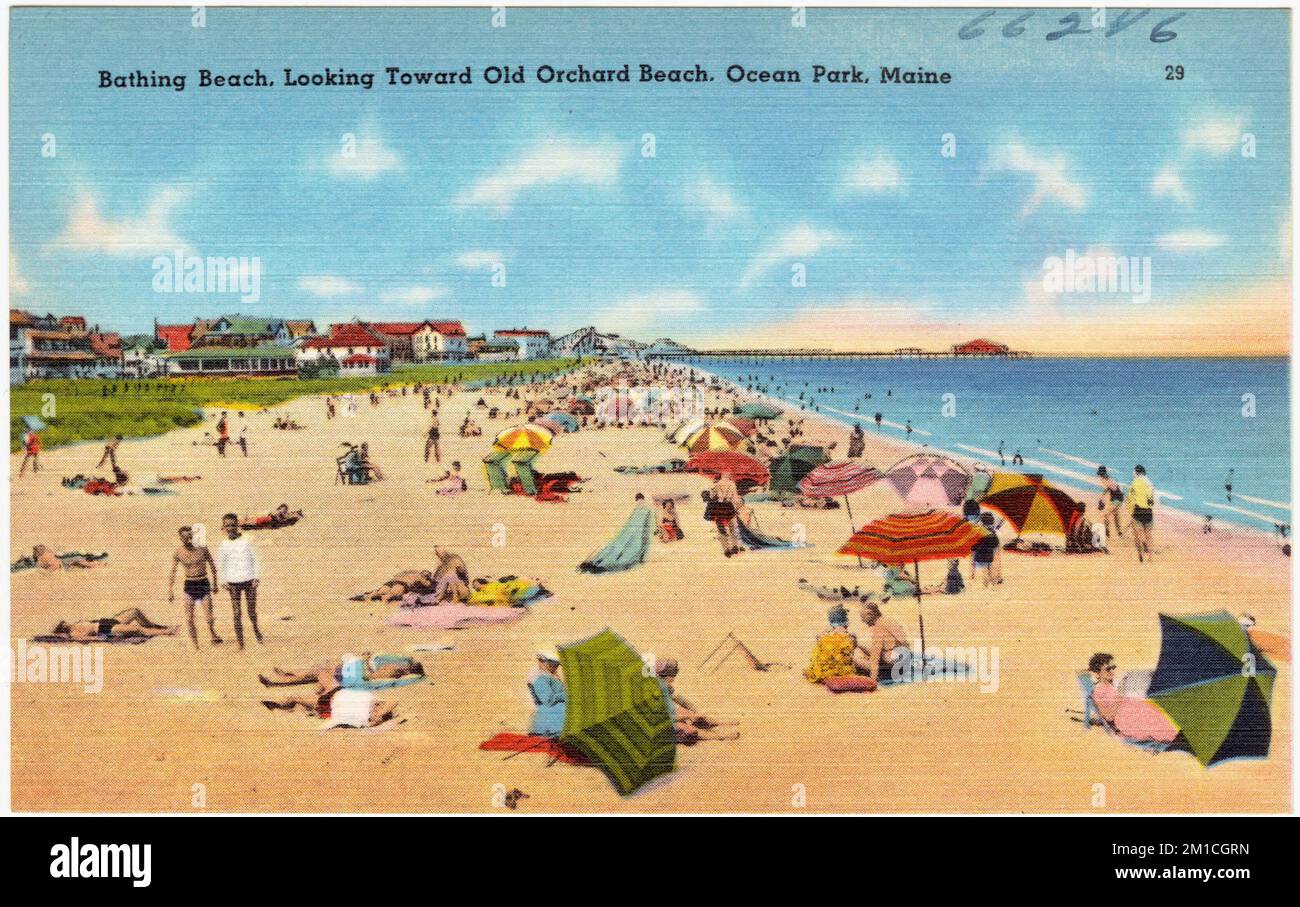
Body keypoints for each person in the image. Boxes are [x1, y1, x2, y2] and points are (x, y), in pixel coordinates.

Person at [1086, 653, 1178, 744]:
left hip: (1129, 708)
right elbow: (1108, 717)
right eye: (1108, 669)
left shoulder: (1109, 686)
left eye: (1113, 668)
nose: (1111, 671)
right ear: (1098, 673)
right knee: (1149, 716)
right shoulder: (1098, 691)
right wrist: (1120, 696)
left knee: (1151, 709)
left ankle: (1172, 734)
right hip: (1124, 717)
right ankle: (1170, 736)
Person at [655, 659, 738, 743]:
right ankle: (720, 736)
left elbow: (681, 700)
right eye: (672, 674)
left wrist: (695, 712)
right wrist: (686, 717)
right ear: (666, 676)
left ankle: (720, 723)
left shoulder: (665, 685)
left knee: (692, 715)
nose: (674, 677)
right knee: (689, 730)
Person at [168, 525, 222, 648]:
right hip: (190, 585)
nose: (188, 540)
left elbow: (213, 567)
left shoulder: (202, 548)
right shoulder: (178, 552)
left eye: (190, 537)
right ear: (180, 538)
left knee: (209, 617)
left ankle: (212, 633)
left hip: (203, 583)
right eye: (185, 538)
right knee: (189, 618)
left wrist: (215, 584)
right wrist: (170, 590)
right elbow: (173, 571)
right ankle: (196, 645)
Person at [217, 512, 263, 650]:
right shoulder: (223, 545)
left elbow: (255, 559)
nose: (230, 528)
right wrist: (223, 580)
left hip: (249, 581)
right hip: (233, 583)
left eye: (232, 525)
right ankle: (240, 643)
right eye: (227, 526)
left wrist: (257, 577)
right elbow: (221, 564)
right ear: (223, 527)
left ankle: (256, 629)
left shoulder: (247, 540)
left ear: (237, 525)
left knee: (251, 611)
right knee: (236, 613)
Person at [804, 605, 863, 683]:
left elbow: (819, 650)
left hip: (822, 673)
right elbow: (852, 651)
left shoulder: (821, 635)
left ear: (831, 623)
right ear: (847, 622)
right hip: (843, 672)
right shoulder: (852, 636)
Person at [48, 608, 175, 642]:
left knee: (135, 611)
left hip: (108, 621)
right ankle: (167, 632)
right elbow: (85, 638)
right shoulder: (73, 634)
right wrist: (100, 638)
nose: (65, 622)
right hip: (106, 628)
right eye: (63, 624)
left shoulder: (76, 624)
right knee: (137, 628)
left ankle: (153, 626)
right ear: (62, 628)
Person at [860, 603, 912, 683]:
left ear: (870, 614)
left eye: (863, 618)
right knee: (864, 648)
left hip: (896, 659)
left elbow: (875, 655)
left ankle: (877, 674)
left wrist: (872, 679)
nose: (863, 621)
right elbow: (903, 641)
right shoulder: (887, 620)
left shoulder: (879, 627)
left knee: (860, 653)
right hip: (905, 654)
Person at [529, 651, 567, 737]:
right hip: (550, 715)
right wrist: (566, 695)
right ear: (542, 663)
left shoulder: (551, 676)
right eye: (552, 664)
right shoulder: (540, 678)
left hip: (557, 712)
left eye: (556, 665)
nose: (555, 667)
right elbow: (547, 700)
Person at [1128, 465, 1155, 562]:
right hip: (1148, 512)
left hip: (1137, 511)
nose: (1133, 473)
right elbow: (1152, 501)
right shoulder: (1150, 483)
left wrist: (1131, 513)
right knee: (1149, 536)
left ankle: (1140, 555)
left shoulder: (1134, 483)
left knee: (1137, 535)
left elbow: (1130, 500)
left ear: (1137, 473)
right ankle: (1150, 557)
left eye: (1134, 472)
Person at [971, 512, 1002, 586]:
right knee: (989, 568)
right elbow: (996, 543)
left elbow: (973, 546)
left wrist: (974, 548)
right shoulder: (992, 532)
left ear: (982, 521)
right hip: (989, 555)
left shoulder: (978, 531)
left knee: (984, 569)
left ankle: (985, 582)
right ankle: (992, 581)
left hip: (979, 555)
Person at [1096, 466, 1124, 539]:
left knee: (1106, 514)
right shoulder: (1107, 479)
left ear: (1103, 473)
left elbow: (1114, 489)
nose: (1100, 476)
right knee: (1115, 515)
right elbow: (1109, 488)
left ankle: (1107, 533)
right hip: (1117, 499)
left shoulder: (1108, 480)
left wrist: (1102, 500)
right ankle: (1119, 532)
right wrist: (1102, 497)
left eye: (1101, 474)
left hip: (1117, 499)